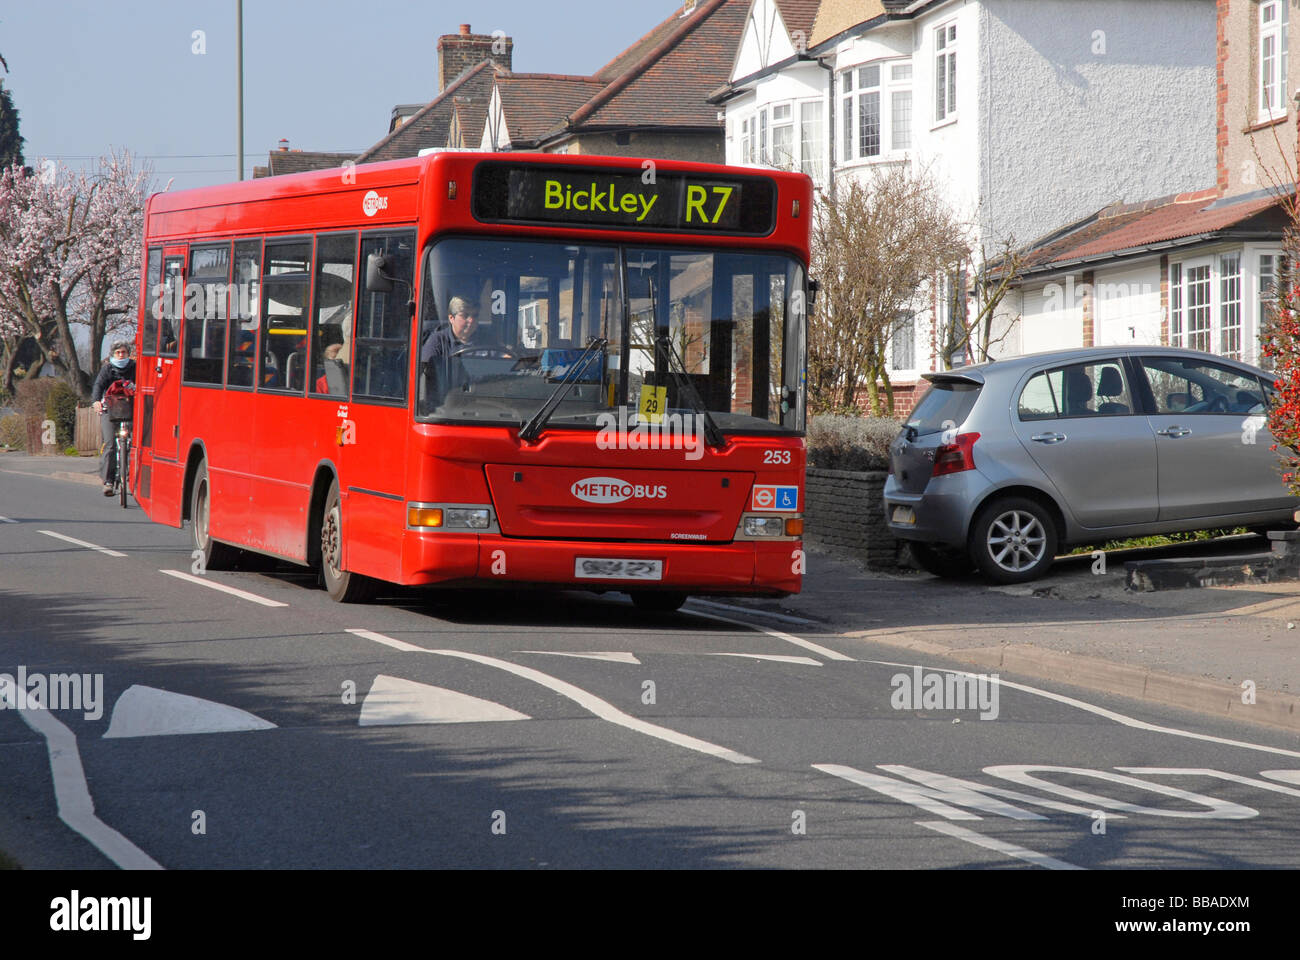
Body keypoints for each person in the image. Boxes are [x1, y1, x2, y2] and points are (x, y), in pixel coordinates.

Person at [419, 296, 512, 403]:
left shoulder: (487, 339)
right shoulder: (437, 341)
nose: (471, 320)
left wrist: (508, 362)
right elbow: (425, 372)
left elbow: (505, 360)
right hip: (447, 402)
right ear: (451, 318)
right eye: (465, 315)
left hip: (486, 400)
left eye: (475, 315)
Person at [91, 340, 136, 496]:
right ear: (113, 354)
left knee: (136, 444)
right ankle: (108, 481)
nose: (121, 355)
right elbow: (98, 386)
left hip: (130, 410)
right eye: (118, 352)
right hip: (110, 410)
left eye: (123, 352)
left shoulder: (134, 368)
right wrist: (96, 401)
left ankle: (131, 477)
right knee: (110, 444)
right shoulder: (107, 369)